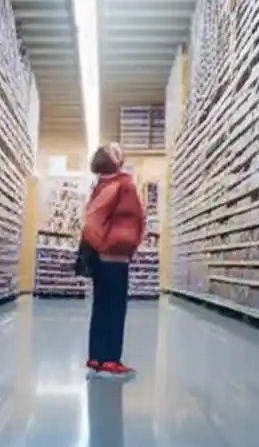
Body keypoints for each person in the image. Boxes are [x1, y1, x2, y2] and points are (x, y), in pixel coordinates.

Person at [81, 142, 145, 380]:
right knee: (115, 308)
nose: (123, 152)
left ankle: (96, 358)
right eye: (117, 150)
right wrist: (106, 246)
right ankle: (110, 361)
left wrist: (99, 247)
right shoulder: (120, 184)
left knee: (100, 307)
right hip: (114, 257)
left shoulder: (103, 185)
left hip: (105, 256)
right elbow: (92, 222)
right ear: (113, 160)